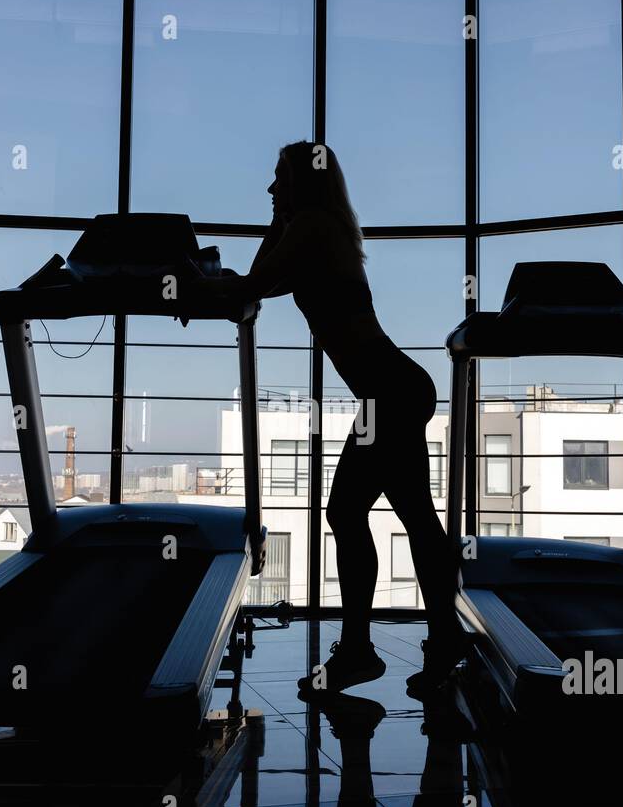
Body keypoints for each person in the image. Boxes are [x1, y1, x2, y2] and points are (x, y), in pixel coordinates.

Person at [193, 141, 467, 698]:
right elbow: (261, 277)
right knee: (408, 518)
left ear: (304, 183)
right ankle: (433, 643)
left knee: (355, 512)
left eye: (279, 178)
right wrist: (277, 217)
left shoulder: (314, 225)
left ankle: (372, 650)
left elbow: (251, 286)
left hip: (388, 392)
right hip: (390, 391)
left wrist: (201, 279)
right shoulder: (315, 226)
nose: (271, 188)